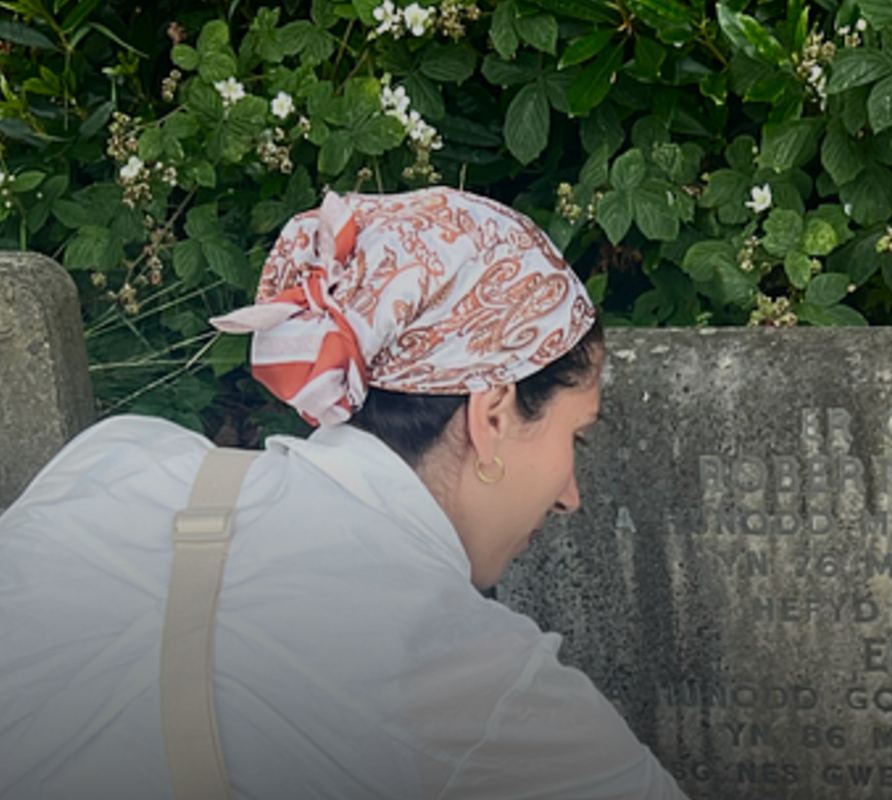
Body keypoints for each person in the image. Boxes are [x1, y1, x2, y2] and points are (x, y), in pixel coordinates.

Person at [0, 188, 688, 800]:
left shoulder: (117, 459)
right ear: (493, 415)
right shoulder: (476, 680)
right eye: (577, 437)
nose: (570, 494)